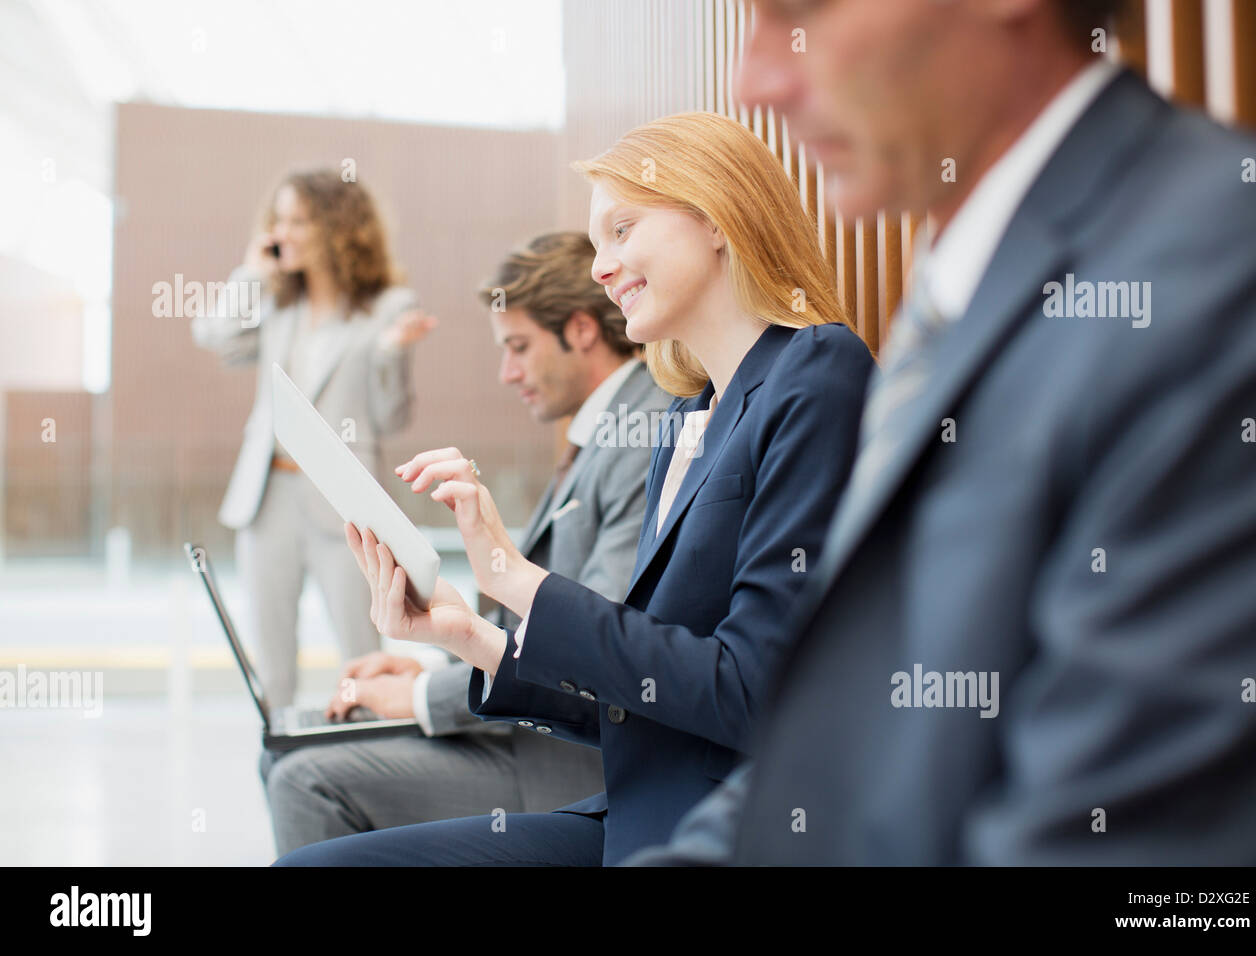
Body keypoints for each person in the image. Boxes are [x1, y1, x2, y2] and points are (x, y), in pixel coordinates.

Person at [633, 0, 1256, 865]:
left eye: (798, 13)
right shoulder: (966, 292)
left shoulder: (1223, 271)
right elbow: (844, 741)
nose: (756, 79)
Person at [274, 110, 875, 866]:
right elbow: (639, 697)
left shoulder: (816, 373)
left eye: (622, 230)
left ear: (717, 215)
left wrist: (517, 579)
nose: (599, 266)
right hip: (639, 811)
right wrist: (469, 635)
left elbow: (751, 694)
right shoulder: (690, 419)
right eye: (596, 243)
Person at [259, 231, 669, 855]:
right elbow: (540, 624)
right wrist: (433, 663)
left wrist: (422, 696)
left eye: (519, 348)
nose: (507, 374)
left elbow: (589, 644)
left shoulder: (638, 439)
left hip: (563, 761)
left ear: (582, 330)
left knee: (305, 780)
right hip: (527, 731)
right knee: (290, 746)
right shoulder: (603, 435)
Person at [192, 170, 436, 709]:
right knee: (272, 664)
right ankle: (283, 765)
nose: (284, 231)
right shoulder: (280, 306)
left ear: (338, 228)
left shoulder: (389, 307)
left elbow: (390, 418)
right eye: (278, 220)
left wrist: (392, 354)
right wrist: (252, 274)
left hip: (343, 505)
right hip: (267, 499)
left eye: (298, 220)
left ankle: (362, 758)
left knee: (361, 648)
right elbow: (213, 335)